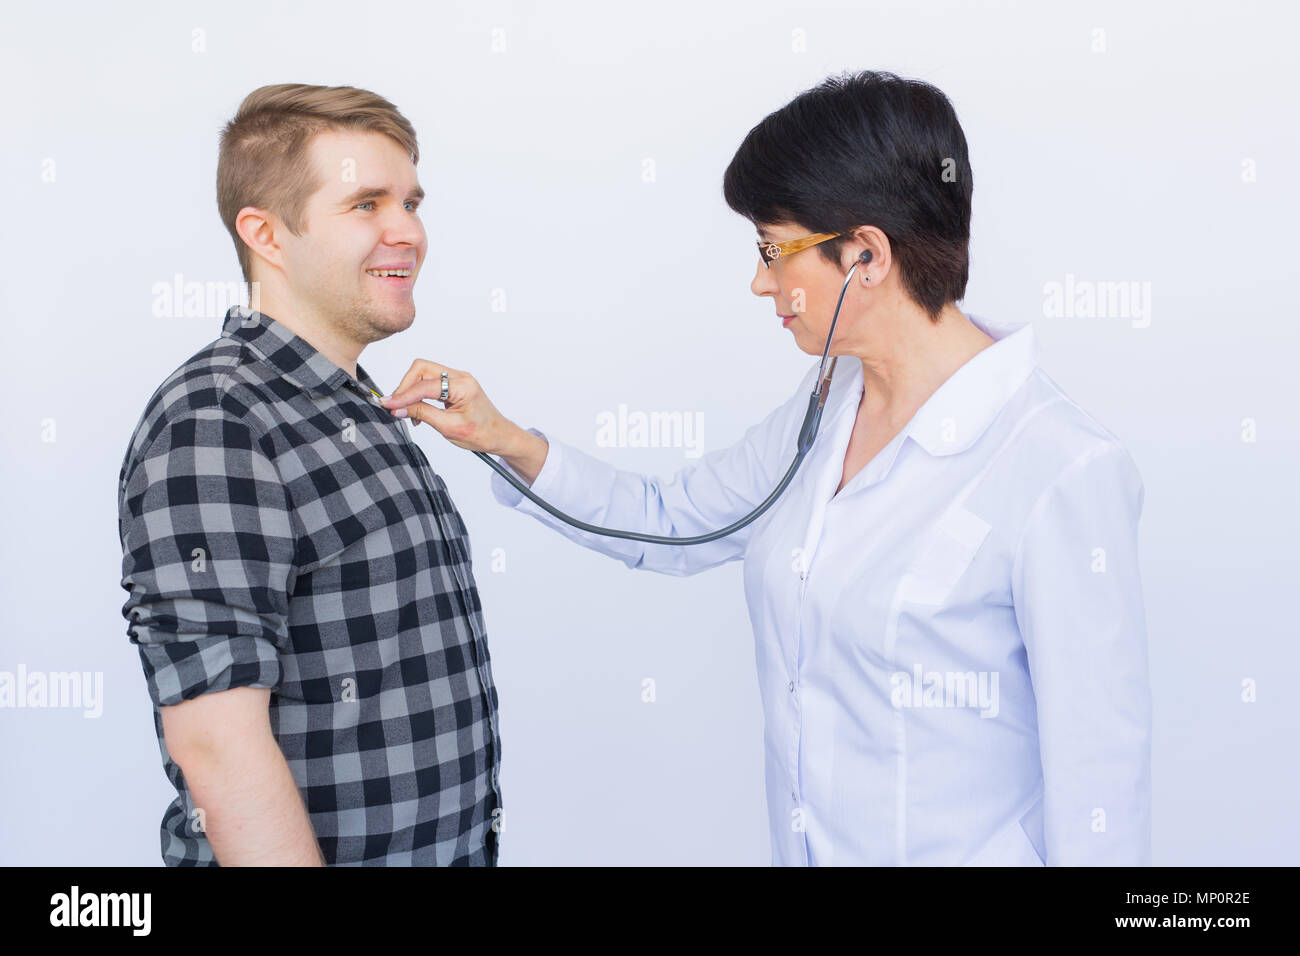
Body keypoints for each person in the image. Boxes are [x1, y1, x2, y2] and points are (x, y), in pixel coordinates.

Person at [380, 71, 1152, 866]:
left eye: (772, 250)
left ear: (866, 254)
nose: (760, 281)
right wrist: (502, 437)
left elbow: (1100, 794)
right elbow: (676, 521)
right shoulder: (830, 403)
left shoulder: (1061, 469)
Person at [118, 84, 502, 865]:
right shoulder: (218, 419)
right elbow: (219, 749)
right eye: (366, 204)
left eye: (411, 201)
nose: (410, 231)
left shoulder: (357, 401)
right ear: (266, 234)